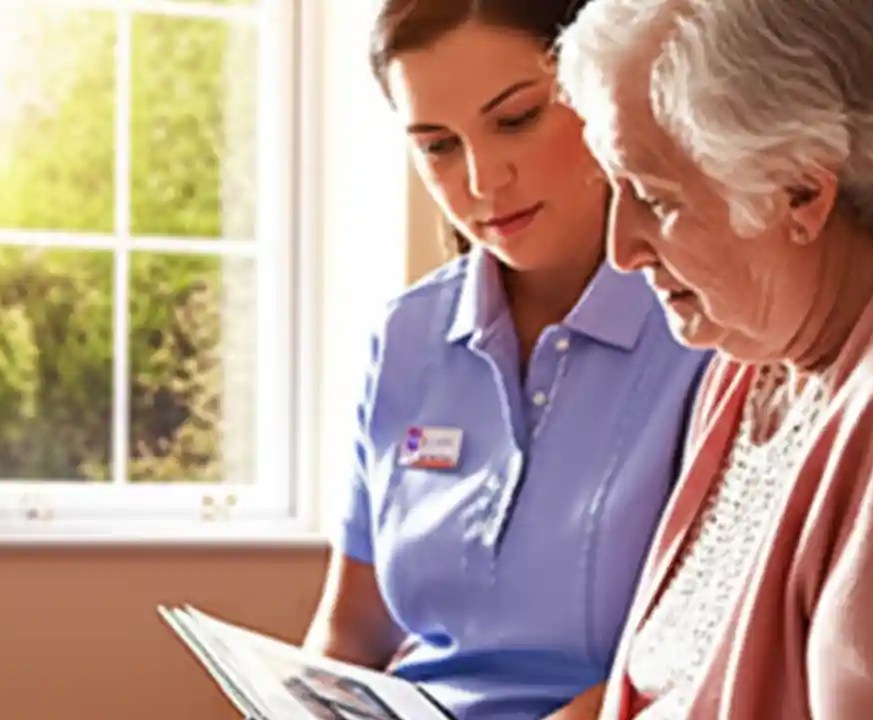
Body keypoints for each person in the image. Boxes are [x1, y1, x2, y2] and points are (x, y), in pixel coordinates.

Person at [554, 0, 873, 717]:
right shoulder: (753, 358)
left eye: (654, 198)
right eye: (614, 188)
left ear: (802, 190)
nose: (621, 249)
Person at [301, 1, 710, 718]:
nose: (483, 181)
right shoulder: (405, 336)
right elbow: (350, 634)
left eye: (517, 119)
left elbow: (710, 651)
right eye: (437, 145)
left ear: (604, 93)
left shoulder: (706, 331)